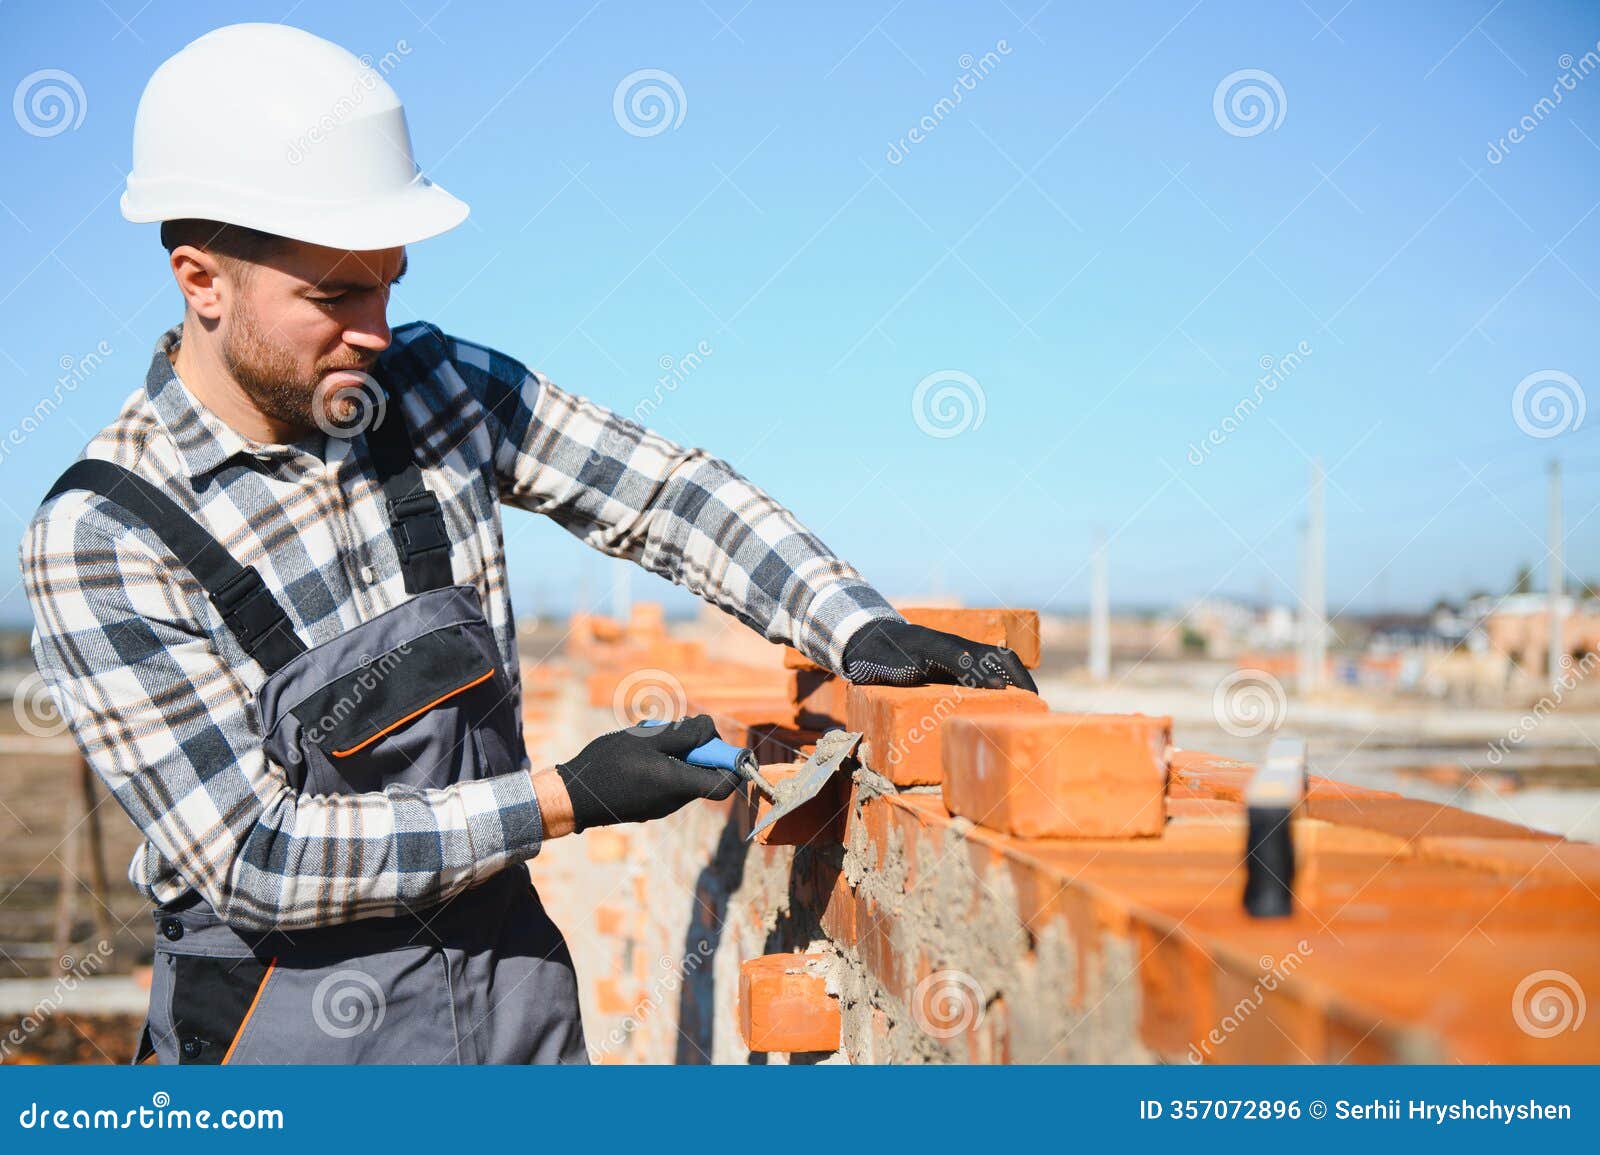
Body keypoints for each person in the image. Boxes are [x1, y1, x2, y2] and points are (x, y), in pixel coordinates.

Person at [19, 23, 1035, 1065]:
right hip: (279, 1035)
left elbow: (666, 496)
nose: (376, 327)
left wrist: (849, 622)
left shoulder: (434, 390)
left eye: (389, 282)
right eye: (336, 295)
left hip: (512, 1000)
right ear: (202, 281)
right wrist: (567, 797)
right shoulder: (104, 536)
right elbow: (256, 856)